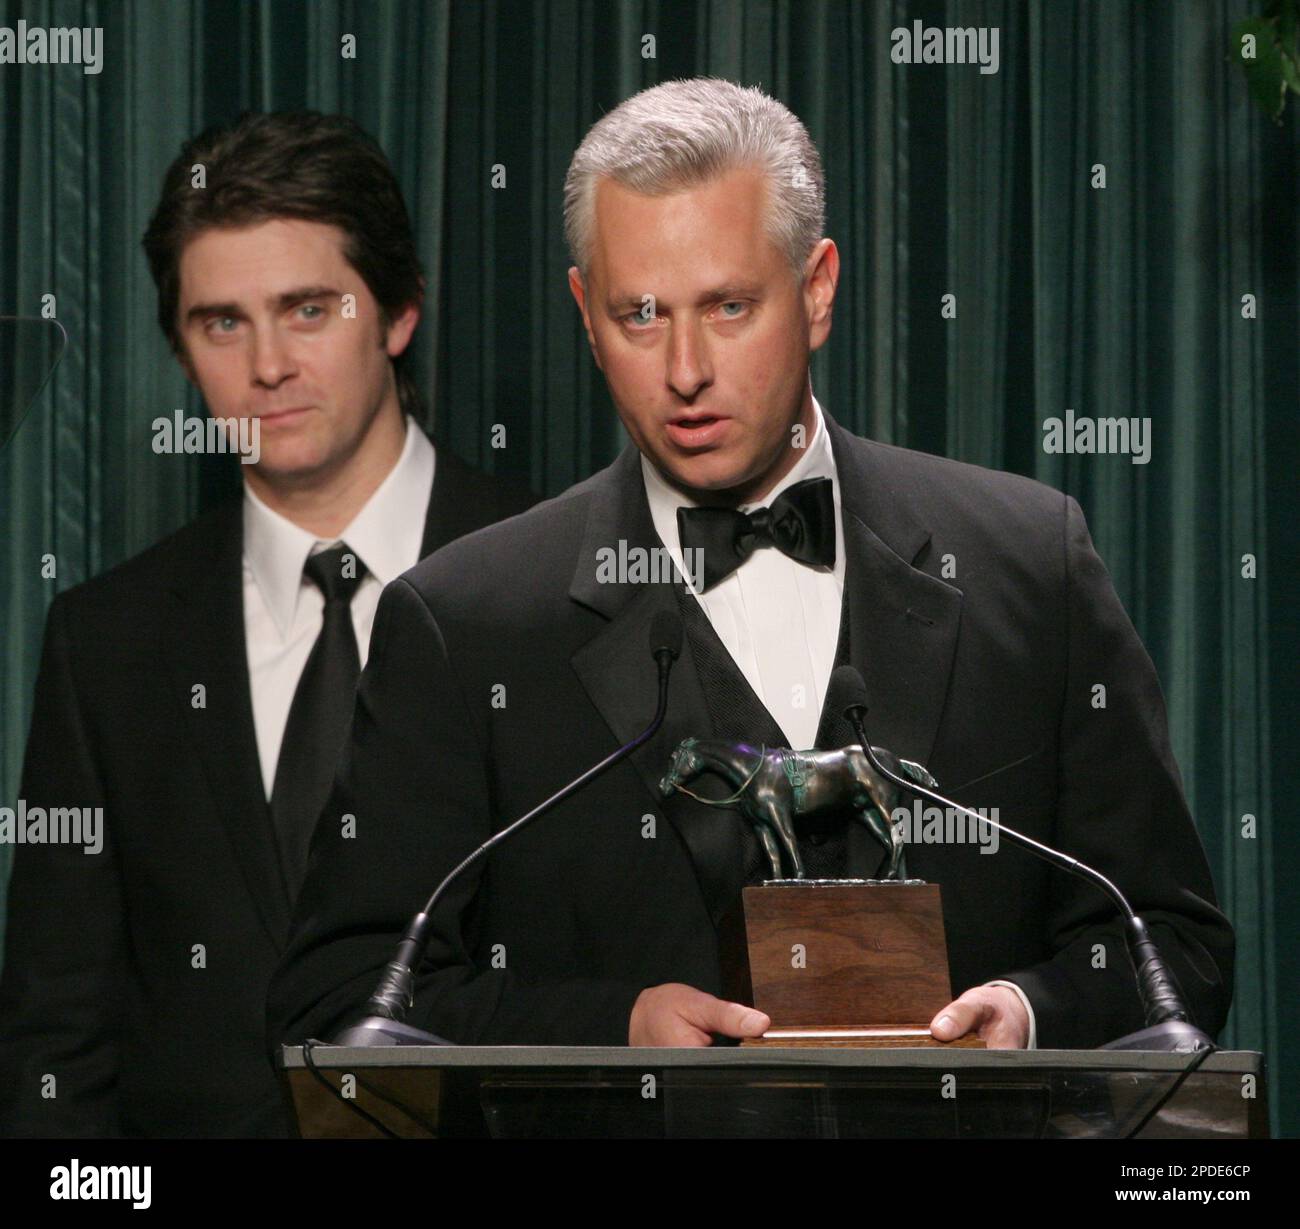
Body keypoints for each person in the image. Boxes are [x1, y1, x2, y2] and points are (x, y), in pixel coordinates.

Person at [267, 80, 1232, 1056]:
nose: (685, 368)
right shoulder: (466, 621)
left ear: (816, 290)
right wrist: (614, 1032)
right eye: (641, 314)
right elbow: (344, 998)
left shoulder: (1029, 562)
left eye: (729, 305)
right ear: (585, 314)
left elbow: (1173, 946)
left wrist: (1026, 1016)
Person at [0, 111, 536, 1137]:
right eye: (221, 322)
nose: (269, 364)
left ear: (398, 311)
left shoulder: (556, 578)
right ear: (182, 347)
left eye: (307, 308)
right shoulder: (106, 641)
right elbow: (53, 1038)